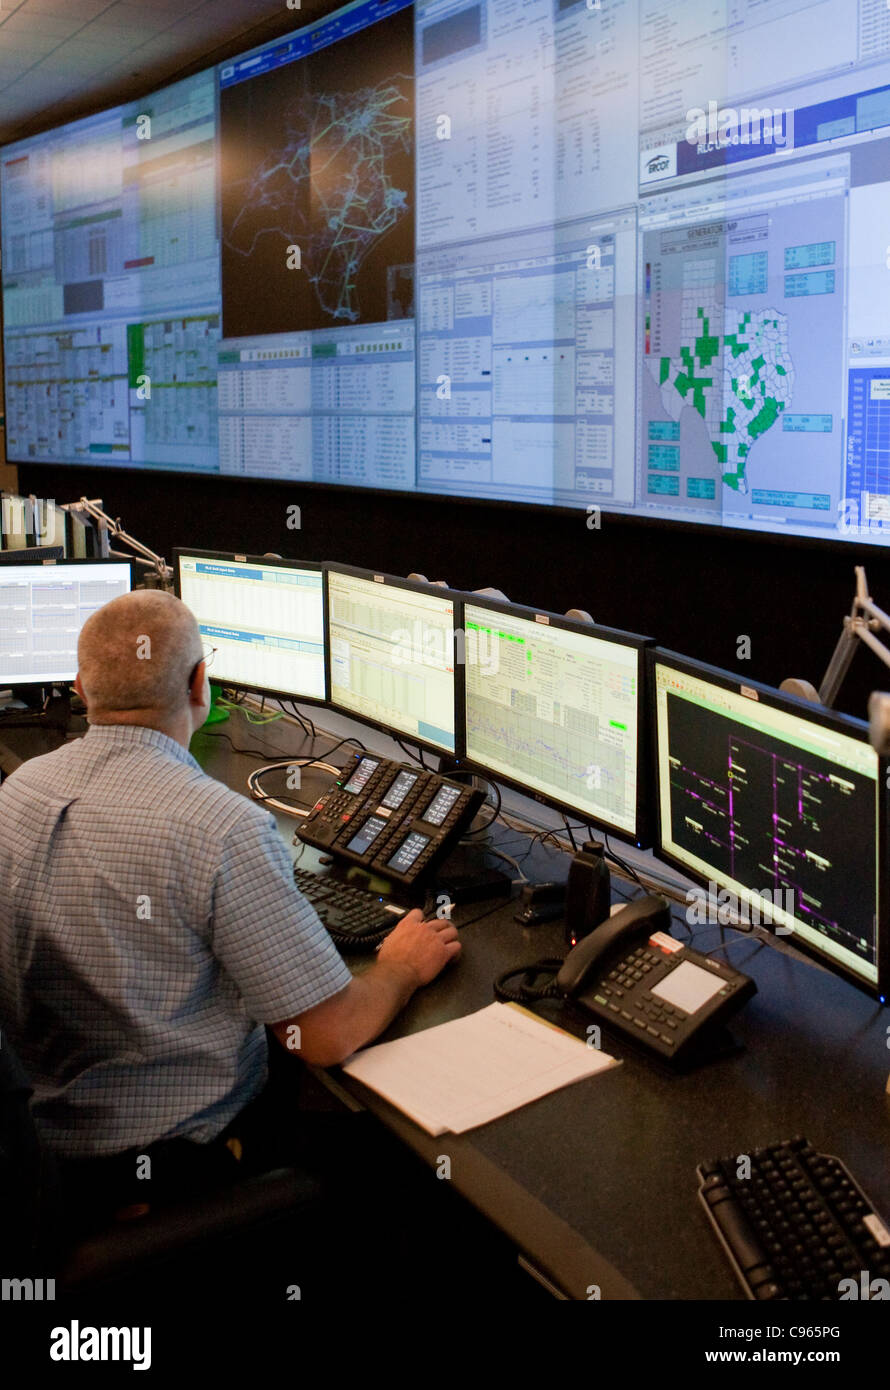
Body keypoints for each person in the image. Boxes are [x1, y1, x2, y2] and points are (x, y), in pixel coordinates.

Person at [0, 590, 461, 1242]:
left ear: (81, 687)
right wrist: (400, 969)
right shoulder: (219, 827)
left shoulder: (20, 790)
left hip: (40, 1147)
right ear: (199, 683)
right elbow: (328, 1037)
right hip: (168, 1157)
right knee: (377, 1149)